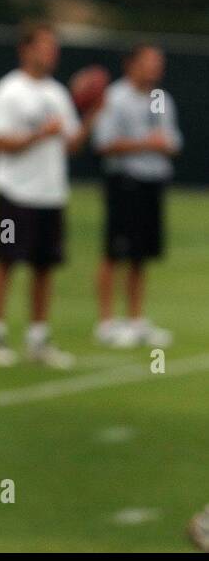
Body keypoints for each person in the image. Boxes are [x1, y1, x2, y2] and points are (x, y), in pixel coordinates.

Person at [0, 21, 93, 368]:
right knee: (6, 262)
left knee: (44, 268)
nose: (51, 54)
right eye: (44, 47)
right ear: (26, 50)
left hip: (50, 195)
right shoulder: (8, 91)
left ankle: (38, 339)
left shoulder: (58, 94)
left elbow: (73, 142)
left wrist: (93, 108)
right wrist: (40, 134)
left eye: (54, 48)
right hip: (15, 193)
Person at [92, 44, 180, 348]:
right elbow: (104, 143)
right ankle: (106, 321)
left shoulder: (160, 99)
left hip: (152, 182)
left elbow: (172, 141)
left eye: (158, 62)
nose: (155, 68)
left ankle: (135, 319)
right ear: (132, 64)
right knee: (115, 251)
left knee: (141, 254)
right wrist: (145, 144)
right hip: (125, 181)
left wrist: (160, 144)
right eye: (149, 62)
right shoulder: (116, 97)